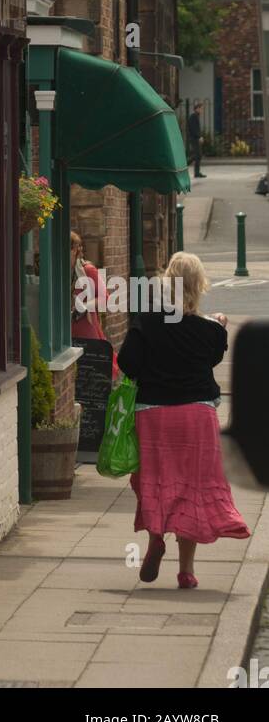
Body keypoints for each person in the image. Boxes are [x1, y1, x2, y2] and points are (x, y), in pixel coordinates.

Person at [117, 251, 250, 589]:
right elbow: (213, 353)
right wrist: (218, 326)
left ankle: (156, 536)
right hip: (197, 415)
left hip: (154, 414)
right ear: (198, 285)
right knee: (191, 488)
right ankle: (186, 571)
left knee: (154, 480)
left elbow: (128, 363)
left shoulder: (146, 320)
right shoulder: (207, 330)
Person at [70, 231, 119, 380]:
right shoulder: (56, 272)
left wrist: (83, 305)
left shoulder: (88, 271)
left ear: (74, 250)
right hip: (66, 335)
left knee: (94, 379)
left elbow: (105, 299)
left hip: (87, 332)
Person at [187, 102, 206, 178]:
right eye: (201, 108)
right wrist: (199, 137)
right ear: (197, 109)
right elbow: (193, 129)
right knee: (197, 155)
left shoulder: (195, 116)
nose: (202, 110)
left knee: (197, 155)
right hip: (194, 138)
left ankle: (197, 172)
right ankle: (186, 164)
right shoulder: (193, 116)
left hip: (195, 138)